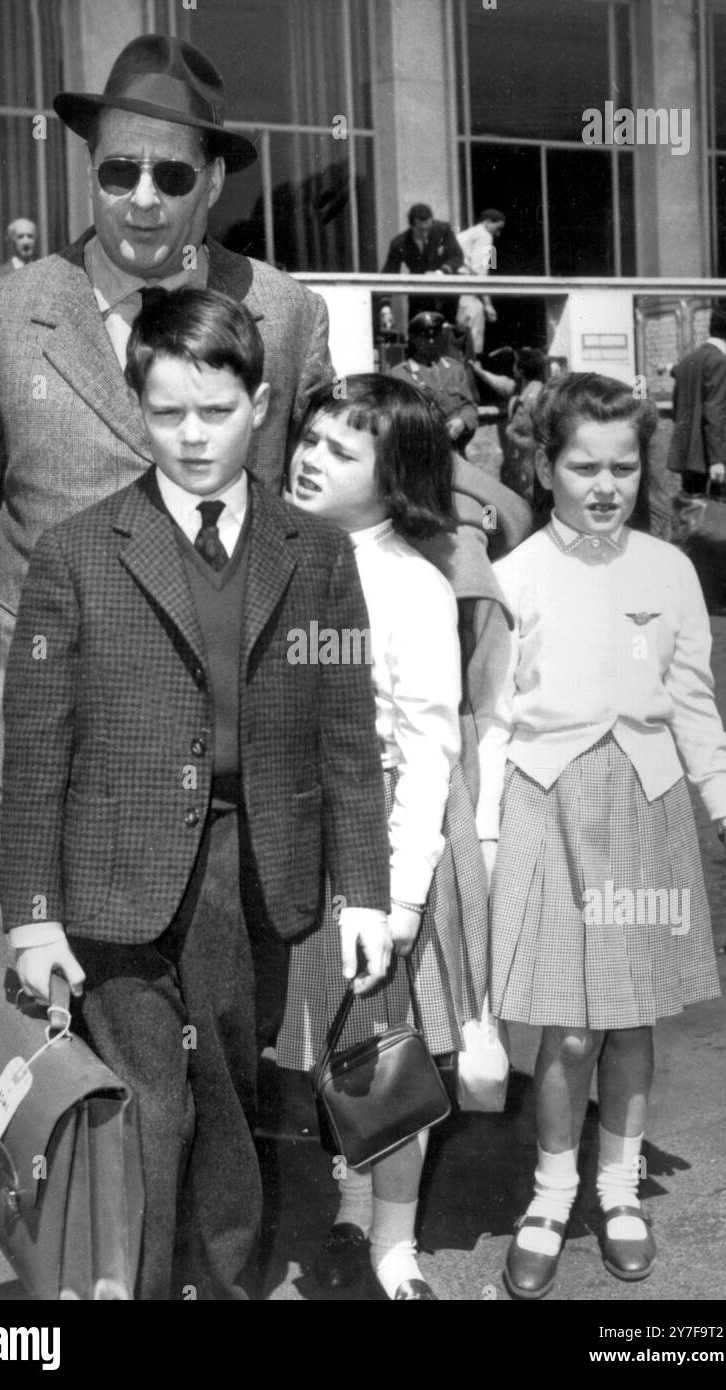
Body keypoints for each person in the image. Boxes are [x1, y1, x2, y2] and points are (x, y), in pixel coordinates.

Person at [0, 287, 391, 1300]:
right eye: (167, 413)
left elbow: (347, 737)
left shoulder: (316, 555)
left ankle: (217, 1281)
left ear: (260, 404)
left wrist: (368, 891)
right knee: (149, 1103)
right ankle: (126, 1282)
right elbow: (37, 753)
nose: (192, 435)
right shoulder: (78, 553)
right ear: (137, 407)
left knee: (226, 1092)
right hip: (112, 872)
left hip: (248, 865)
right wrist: (30, 917)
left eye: (215, 411)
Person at [0, 34, 331, 834]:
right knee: (57, 960)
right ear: (90, 169)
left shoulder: (285, 316)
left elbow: (328, 504)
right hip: (52, 750)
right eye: (119, 171)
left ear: (210, 181)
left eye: (171, 176)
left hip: (238, 749)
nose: (142, 199)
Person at [478, 372, 726, 1301]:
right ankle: (550, 1195)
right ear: (543, 464)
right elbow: (489, 719)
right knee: (566, 1032)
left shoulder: (669, 569)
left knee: (630, 1020)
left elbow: (690, 702)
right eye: (581, 466)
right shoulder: (512, 577)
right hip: (546, 807)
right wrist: (482, 838)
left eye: (621, 466)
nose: (604, 485)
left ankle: (620, 1189)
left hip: (645, 808)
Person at [276, 374, 492, 1300]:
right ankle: (350, 1200)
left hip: (374, 850)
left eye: (341, 449)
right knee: (318, 1046)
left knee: (384, 1048)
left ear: (393, 475)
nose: (310, 456)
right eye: (309, 436)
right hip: (285, 842)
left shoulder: (406, 582)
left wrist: (400, 896)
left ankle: (391, 1243)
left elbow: (430, 741)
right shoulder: (265, 550)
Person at [667, 302, 726, 617]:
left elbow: (680, 408)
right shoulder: (718, 362)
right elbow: (716, 411)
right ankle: (718, 598)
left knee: (696, 528)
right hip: (712, 461)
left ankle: (697, 595)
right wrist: (718, 459)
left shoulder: (689, 361)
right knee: (720, 527)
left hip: (691, 459)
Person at [390, 311, 478, 456]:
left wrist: (461, 422)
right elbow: (393, 419)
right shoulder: (399, 375)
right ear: (414, 339)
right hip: (417, 456)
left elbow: (470, 407)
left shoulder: (455, 370)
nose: (431, 341)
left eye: (435, 335)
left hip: (453, 453)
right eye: (425, 336)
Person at [382, 203, 464, 319]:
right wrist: (385, 307)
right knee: (417, 331)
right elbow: (389, 274)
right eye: (420, 230)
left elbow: (457, 256)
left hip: (446, 294)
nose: (425, 234)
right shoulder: (399, 244)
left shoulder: (443, 230)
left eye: (428, 229)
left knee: (447, 332)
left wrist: (440, 273)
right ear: (412, 226)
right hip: (419, 296)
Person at [500, 346, 548, 503]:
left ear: (520, 370)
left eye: (515, 364)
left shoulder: (535, 397)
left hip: (529, 469)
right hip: (520, 466)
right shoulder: (525, 393)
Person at [455, 208, 505, 358]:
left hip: (457, 288)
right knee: (473, 335)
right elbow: (481, 274)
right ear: (488, 222)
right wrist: (488, 304)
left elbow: (488, 267)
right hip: (467, 288)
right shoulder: (485, 236)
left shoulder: (468, 234)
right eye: (498, 228)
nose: (498, 233)